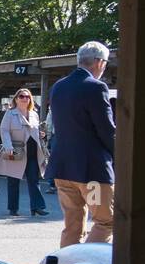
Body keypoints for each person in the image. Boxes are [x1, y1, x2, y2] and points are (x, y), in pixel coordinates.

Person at [46, 40, 116, 247]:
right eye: (105, 63)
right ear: (98, 62)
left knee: (73, 224)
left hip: (63, 169)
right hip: (91, 173)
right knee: (107, 221)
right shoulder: (96, 88)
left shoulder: (58, 87)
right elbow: (106, 130)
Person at [0, 88, 49, 218]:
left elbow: (34, 131)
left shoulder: (34, 114)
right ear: (16, 99)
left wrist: (40, 134)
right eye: (21, 96)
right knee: (13, 181)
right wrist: (8, 145)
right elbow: (4, 130)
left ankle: (36, 207)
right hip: (16, 151)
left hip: (32, 152)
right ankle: (13, 209)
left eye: (27, 96)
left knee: (33, 180)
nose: (25, 98)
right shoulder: (10, 113)